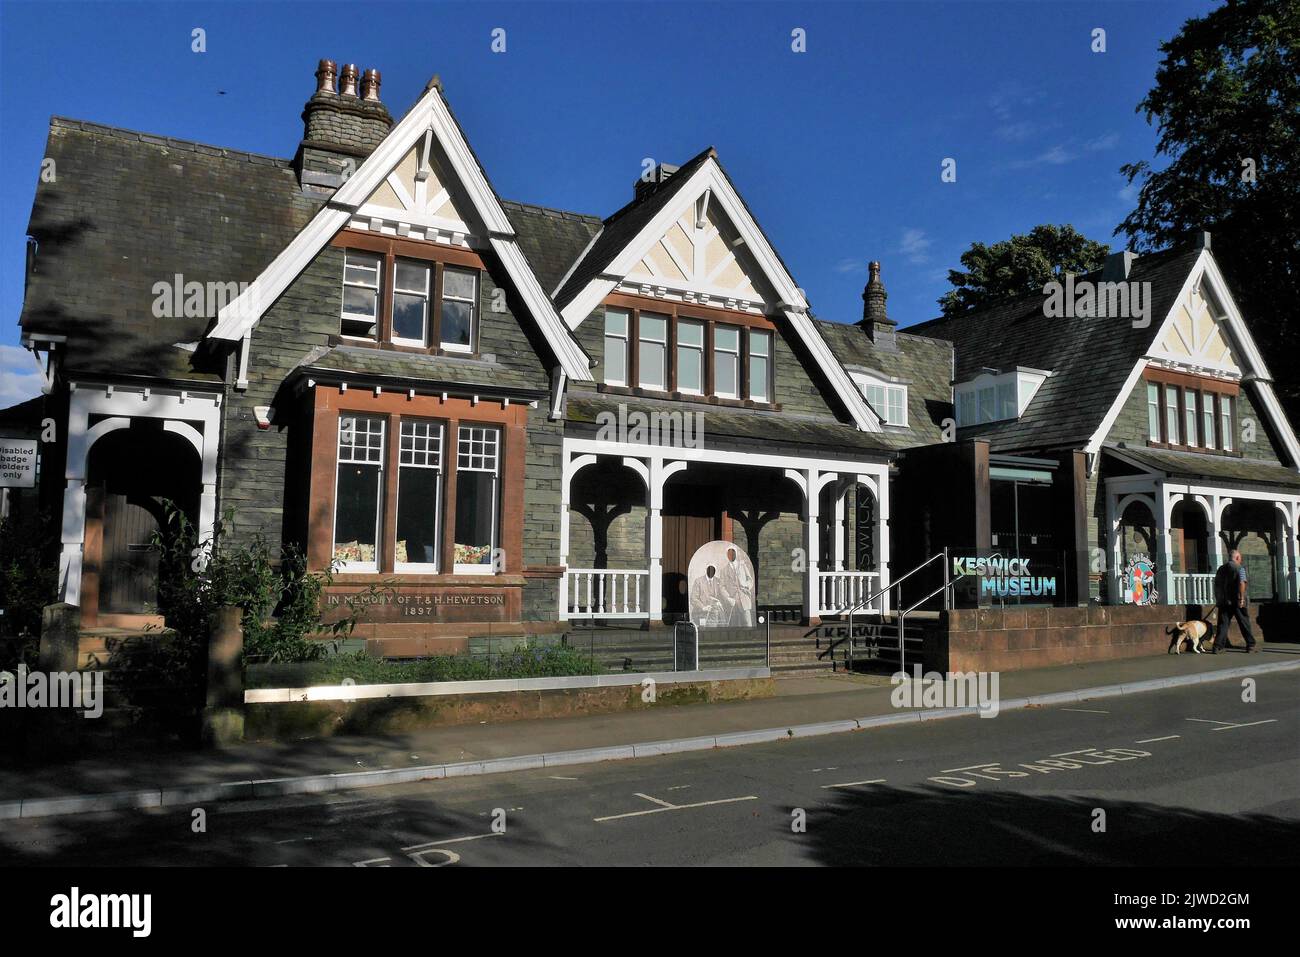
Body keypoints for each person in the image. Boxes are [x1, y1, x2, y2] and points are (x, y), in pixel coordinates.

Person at [1212, 549, 1257, 653]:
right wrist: (1241, 598)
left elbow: (1216, 585)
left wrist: (1218, 599)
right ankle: (1250, 645)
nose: (1241, 560)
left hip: (1224, 601)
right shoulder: (1240, 568)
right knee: (1244, 622)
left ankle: (1217, 647)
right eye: (1240, 558)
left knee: (1223, 624)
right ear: (1237, 558)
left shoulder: (1221, 569)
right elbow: (1242, 583)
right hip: (1237, 601)